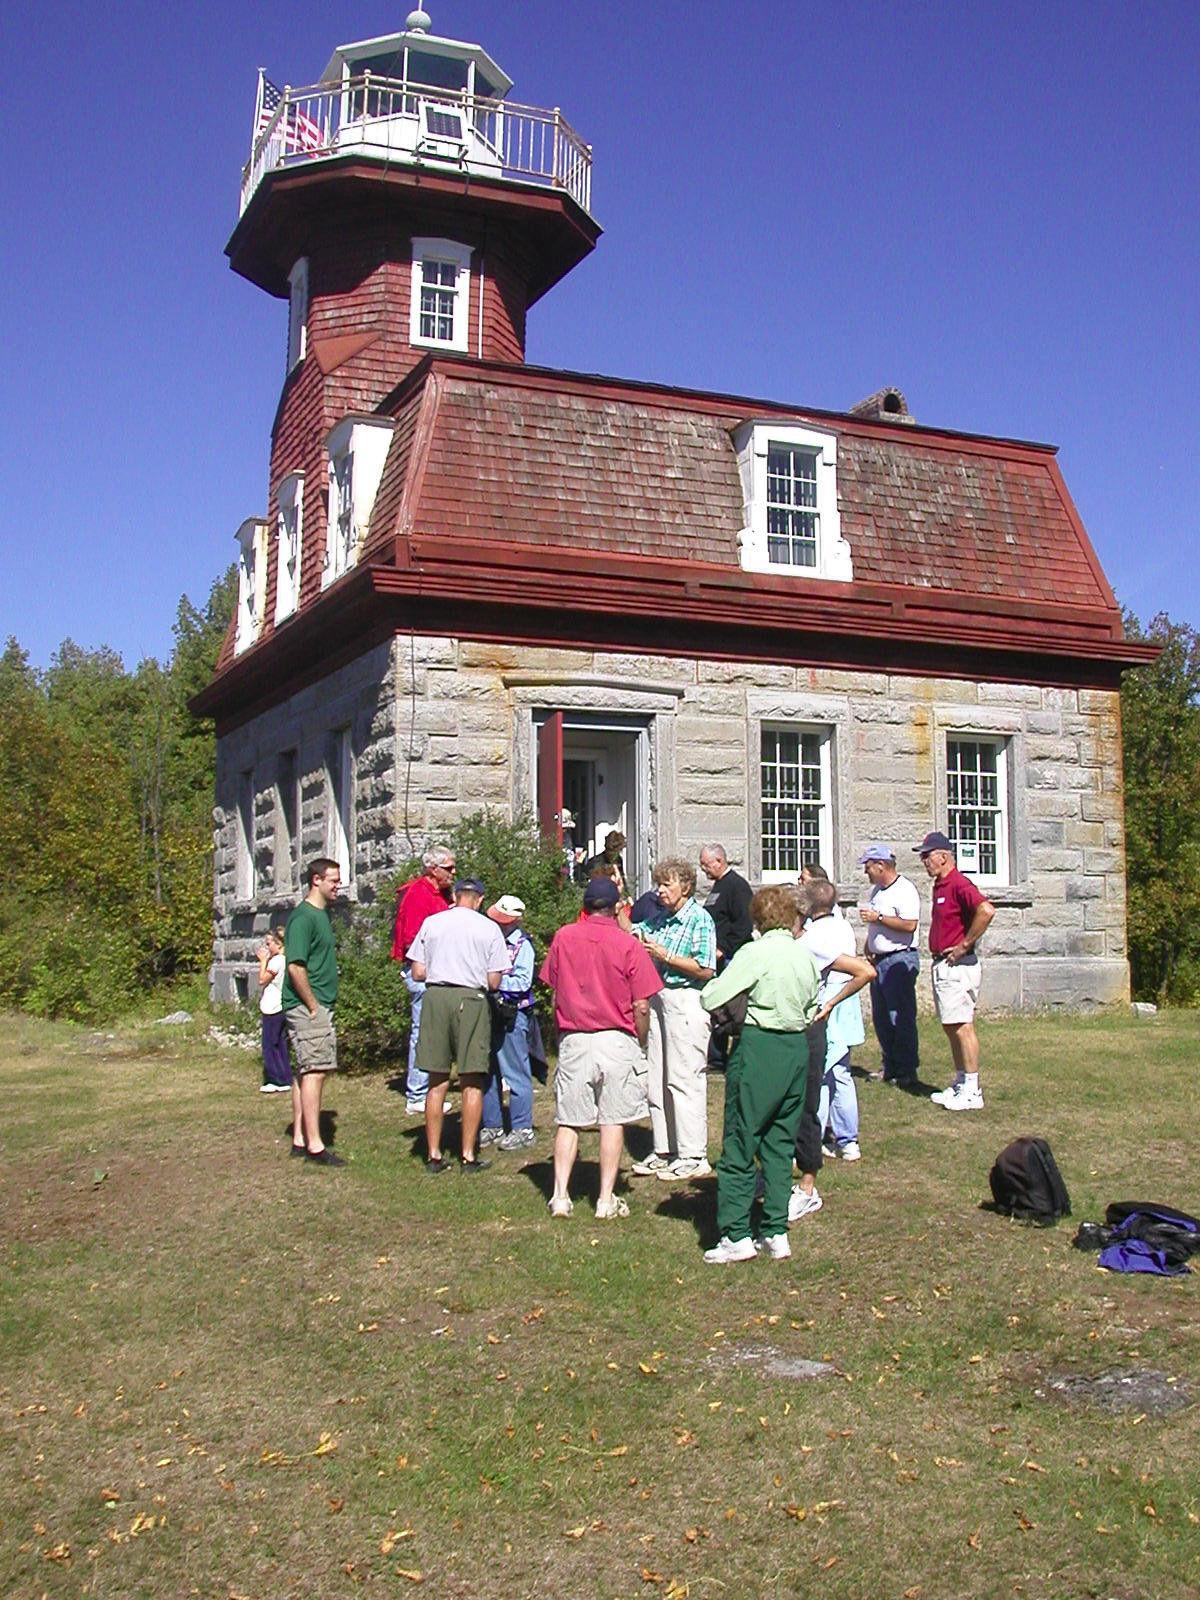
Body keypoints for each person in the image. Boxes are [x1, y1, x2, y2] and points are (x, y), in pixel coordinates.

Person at [698, 886, 821, 1262]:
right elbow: (813, 1006)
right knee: (781, 1141)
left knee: (740, 1138)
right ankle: (775, 1230)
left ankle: (735, 1234)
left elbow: (712, 996)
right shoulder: (805, 956)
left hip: (760, 1046)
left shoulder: (755, 952)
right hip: (796, 1047)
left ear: (758, 919)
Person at [540, 876, 663, 1218]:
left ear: (585, 907)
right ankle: (605, 1198)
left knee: (569, 1119)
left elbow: (554, 991)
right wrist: (640, 1037)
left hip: (576, 1036)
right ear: (616, 908)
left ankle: (560, 1195)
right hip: (616, 1036)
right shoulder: (627, 944)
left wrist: (559, 1032)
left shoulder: (564, 937)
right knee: (613, 1119)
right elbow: (641, 1004)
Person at [407, 877, 510, 1172]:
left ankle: (434, 1153)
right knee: (472, 1078)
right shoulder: (488, 928)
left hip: (437, 996)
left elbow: (417, 971)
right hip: (471, 998)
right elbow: (493, 980)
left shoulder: (433, 923)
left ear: (455, 895)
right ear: (479, 899)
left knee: (436, 1079)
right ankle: (468, 1154)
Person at [625, 859, 717, 1181]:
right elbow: (635, 932)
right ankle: (664, 1149)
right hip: (660, 999)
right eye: (659, 885)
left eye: (668, 885)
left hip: (687, 1000)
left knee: (684, 1078)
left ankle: (693, 1153)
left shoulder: (699, 919)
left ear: (686, 887)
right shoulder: (660, 918)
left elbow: (705, 968)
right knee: (658, 1077)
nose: (661, 891)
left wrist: (665, 956)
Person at [916, 831, 996, 1111]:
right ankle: (961, 1081)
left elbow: (985, 910)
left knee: (962, 1026)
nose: (924, 861)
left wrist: (964, 945)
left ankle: (973, 1090)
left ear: (943, 856)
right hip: (943, 964)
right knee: (951, 1026)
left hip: (958, 966)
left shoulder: (959, 883)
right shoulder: (940, 885)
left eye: (928, 856)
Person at [800, 880, 877, 1161]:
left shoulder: (812, 934)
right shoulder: (843, 924)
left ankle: (817, 1135)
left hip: (831, 997)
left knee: (821, 1073)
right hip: (848, 995)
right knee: (840, 1071)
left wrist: (830, 1001)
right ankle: (847, 1139)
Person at [281, 859, 346, 1167]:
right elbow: (295, 964)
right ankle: (315, 1146)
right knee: (316, 1071)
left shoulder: (320, 915)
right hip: (309, 1007)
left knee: (305, 1071)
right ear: (316, 880)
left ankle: (299, 1138)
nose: (338, 886)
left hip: (317, 1004)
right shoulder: (303, 918)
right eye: (333, 880)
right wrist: (312, 1006)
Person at [391, 846, 455, 1115]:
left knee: (437, 1032)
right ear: (433, 869)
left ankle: (428, 1086)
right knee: (422, 1031)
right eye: (449, 868)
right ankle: (417, 1094)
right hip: (424, 973)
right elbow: (413, 940)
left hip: (439, 971)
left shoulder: (440, 894)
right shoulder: (418, 894)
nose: (454, 873)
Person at [857, 843, 921, 1087]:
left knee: (900, 1016)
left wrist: (879, 918)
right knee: (882, 1017)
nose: (866, 873)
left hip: (899, 959)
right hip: (879, 960)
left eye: (869, 867)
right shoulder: (877, 891)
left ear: (882, 865)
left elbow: (909, 925)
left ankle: (906, 1069)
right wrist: (869, 946)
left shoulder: (904, 890)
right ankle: (890, 1065)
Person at [480, 895, 537, 1151]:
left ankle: (522, 1127)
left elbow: (523, 983)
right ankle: (491, 1124)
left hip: (512, 1015)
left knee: (516, 1072)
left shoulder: (523, 947)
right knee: (487, 1071)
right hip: (487, 1012)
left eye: (503, 921)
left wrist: (493, 981)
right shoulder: (490, 943)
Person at [699, 843, 755, 1071]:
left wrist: (724, 948)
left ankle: (730, 1056)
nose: (703, 869)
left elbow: (744, 924)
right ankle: (716, 1056)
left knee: (731, 1009)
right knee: (716, 1006)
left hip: (731, 957)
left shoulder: (736, 887)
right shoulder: (718, 887)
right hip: (717, 958)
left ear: (719, 861)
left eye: (705, 864)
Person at [256, 925, 291, 1093]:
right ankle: (285, 1077)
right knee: (280, 1043)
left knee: (269, 1044)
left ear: (278, 944)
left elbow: (263, 980)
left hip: (273, 1007)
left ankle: (275, 1079)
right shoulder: (288, 960)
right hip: (282, 1005)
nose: (267, 948)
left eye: (269, 944)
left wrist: (263, 962)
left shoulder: (277, 961)